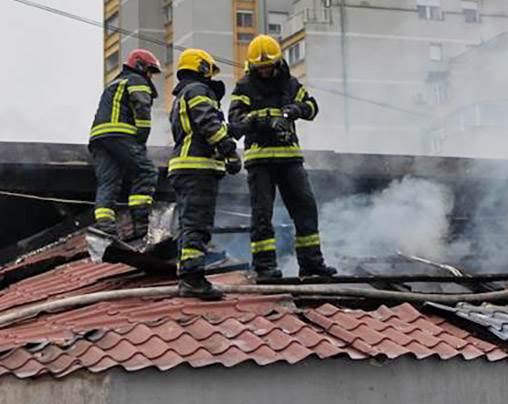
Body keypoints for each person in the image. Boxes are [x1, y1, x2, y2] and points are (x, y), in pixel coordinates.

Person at [228, 35, 336, 279]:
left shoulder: (290, 84)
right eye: (260, 68)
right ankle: (265, 267)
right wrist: (262, 119)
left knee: (306, 208)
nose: (265, 72)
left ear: (278, 63)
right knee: (262, 214)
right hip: (260, 161)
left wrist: (296, 110)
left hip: (290, 159)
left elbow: (312, 107)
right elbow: (234, 124)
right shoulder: (244, 86)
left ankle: (311, 264)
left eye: (269, 67)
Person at [168, 48, 241, 299]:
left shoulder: (182, 95)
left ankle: (187, 275)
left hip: (184, 168)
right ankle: (193, 280)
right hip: (197, 168)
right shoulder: (198, 91)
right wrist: (229, 148)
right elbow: (208, 122)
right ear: (202, 68)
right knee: (197, 225)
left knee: (188, 224)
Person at [88, 48, 161, 242]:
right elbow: (142, 110)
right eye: (150, 71)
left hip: (98, 139)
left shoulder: (115, 82)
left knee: (108, 182)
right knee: (146, 172)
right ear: (140, 66)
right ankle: (140, 228)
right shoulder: (136, 80)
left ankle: (106, 229)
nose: (150, 76)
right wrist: (141, 141)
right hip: (119, 134)